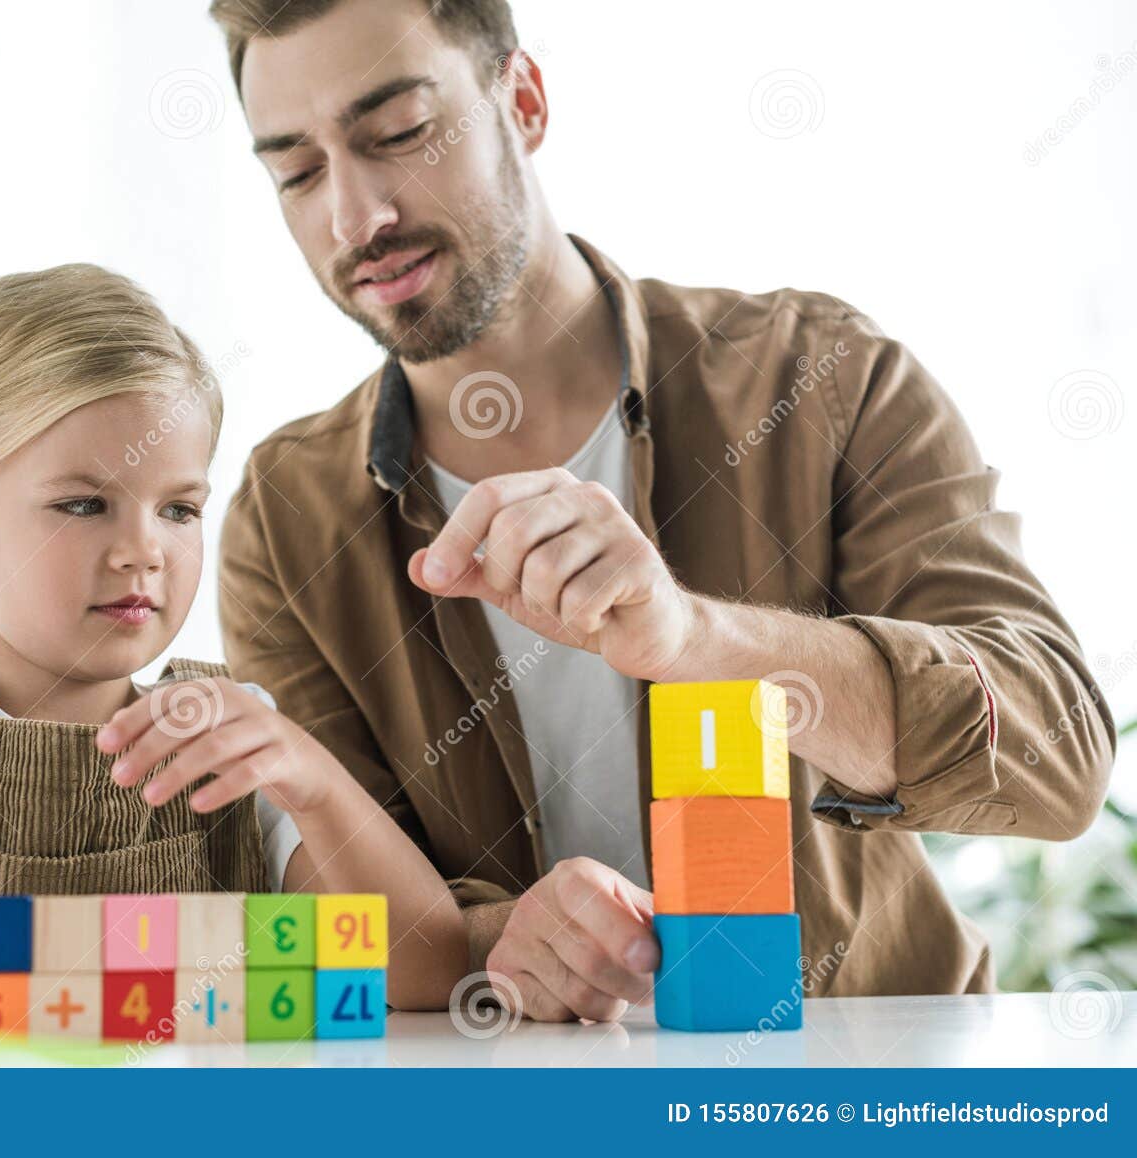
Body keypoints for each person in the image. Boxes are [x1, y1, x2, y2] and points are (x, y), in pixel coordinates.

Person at [207, 0, 1116, 1020]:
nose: (354, 217)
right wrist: (497, 938)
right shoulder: (284, 519)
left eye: (402, 134)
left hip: (861, 1093)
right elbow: (338, 910)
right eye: (296, 171)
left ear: (524, 100)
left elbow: (1057, 755)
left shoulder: (821, 379)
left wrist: (698, 639)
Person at [0, 262, 467, 1025]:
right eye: (84, 504)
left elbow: (427, 971)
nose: (143, 550)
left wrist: (311, 775)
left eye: (179, 510)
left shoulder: (230, 734)